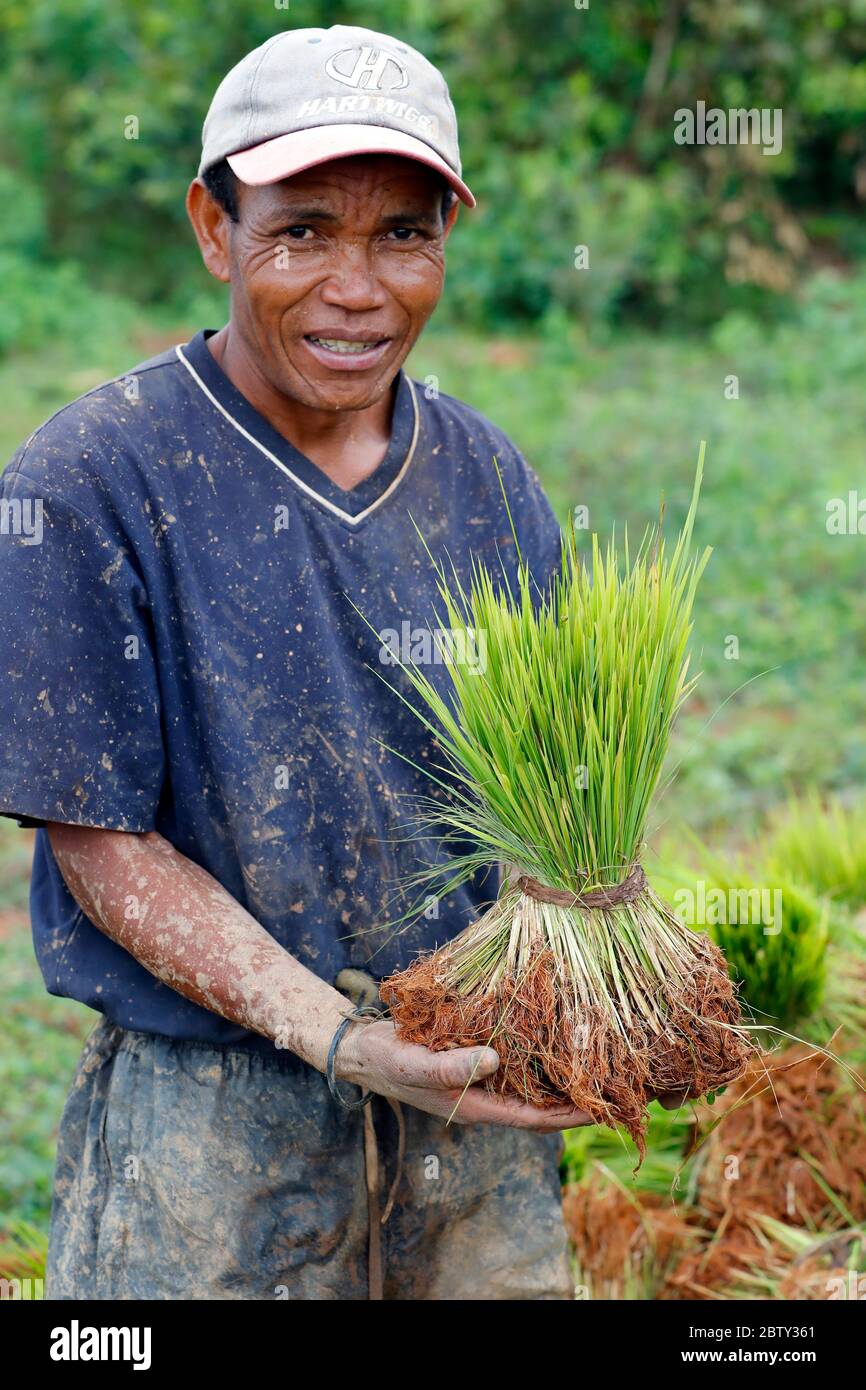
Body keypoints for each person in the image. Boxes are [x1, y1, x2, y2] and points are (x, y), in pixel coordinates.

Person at [0, 24, 680, 1300]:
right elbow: (100, 841)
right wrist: (336, 1035)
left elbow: (554, 782)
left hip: (469, 1100)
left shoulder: (485, 480)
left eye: (402, 233)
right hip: (210, 1118)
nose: (357, 287)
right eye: (301, 229)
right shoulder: (90, 480)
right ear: (215, 227)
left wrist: (586, 947)